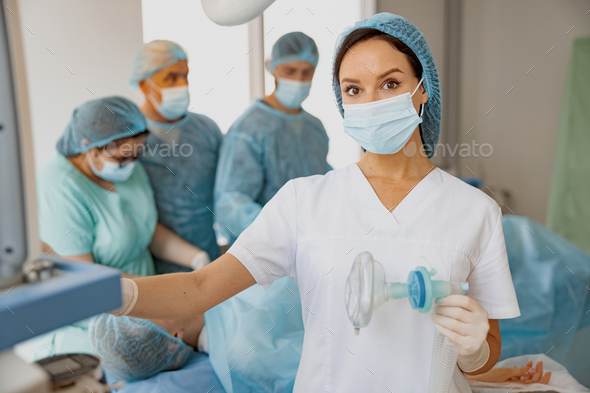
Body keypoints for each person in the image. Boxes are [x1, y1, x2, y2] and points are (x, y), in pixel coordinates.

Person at [115, 13, 520, 392]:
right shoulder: (303, 201)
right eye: (354, 90)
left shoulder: (474, 211)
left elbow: (486, 352)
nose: (373, 102)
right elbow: (201, 287)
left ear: (422, 89)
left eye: (391, 83)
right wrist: (108, 294)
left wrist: (475, 351)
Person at [26, 96, 209, 360]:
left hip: (143, 304)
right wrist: (167, 294)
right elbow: (85, 278)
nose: (131, 164)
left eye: (136, 154)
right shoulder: (58, 188)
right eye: (123, 157)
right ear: (90, 147)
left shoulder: (126, 168)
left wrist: (196, 258)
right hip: (93, 320)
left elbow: (145, 229)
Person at [214, 31, 330, 244]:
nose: (298, 79)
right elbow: (231, 204)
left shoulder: (315, 127)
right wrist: (282, 234)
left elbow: (324, 182)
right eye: (290, 71)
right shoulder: (249, 128)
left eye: (307, 72)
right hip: (269, 253)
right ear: (272, 67)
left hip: (314, 247)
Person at [130, 40, 223, 272]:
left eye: (185, 76)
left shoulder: (206, 130)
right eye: (171, 78)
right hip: (155, 268)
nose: (182, 85)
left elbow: (227, 191)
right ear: (144, 84)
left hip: (210, 259)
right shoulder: (128, 138)